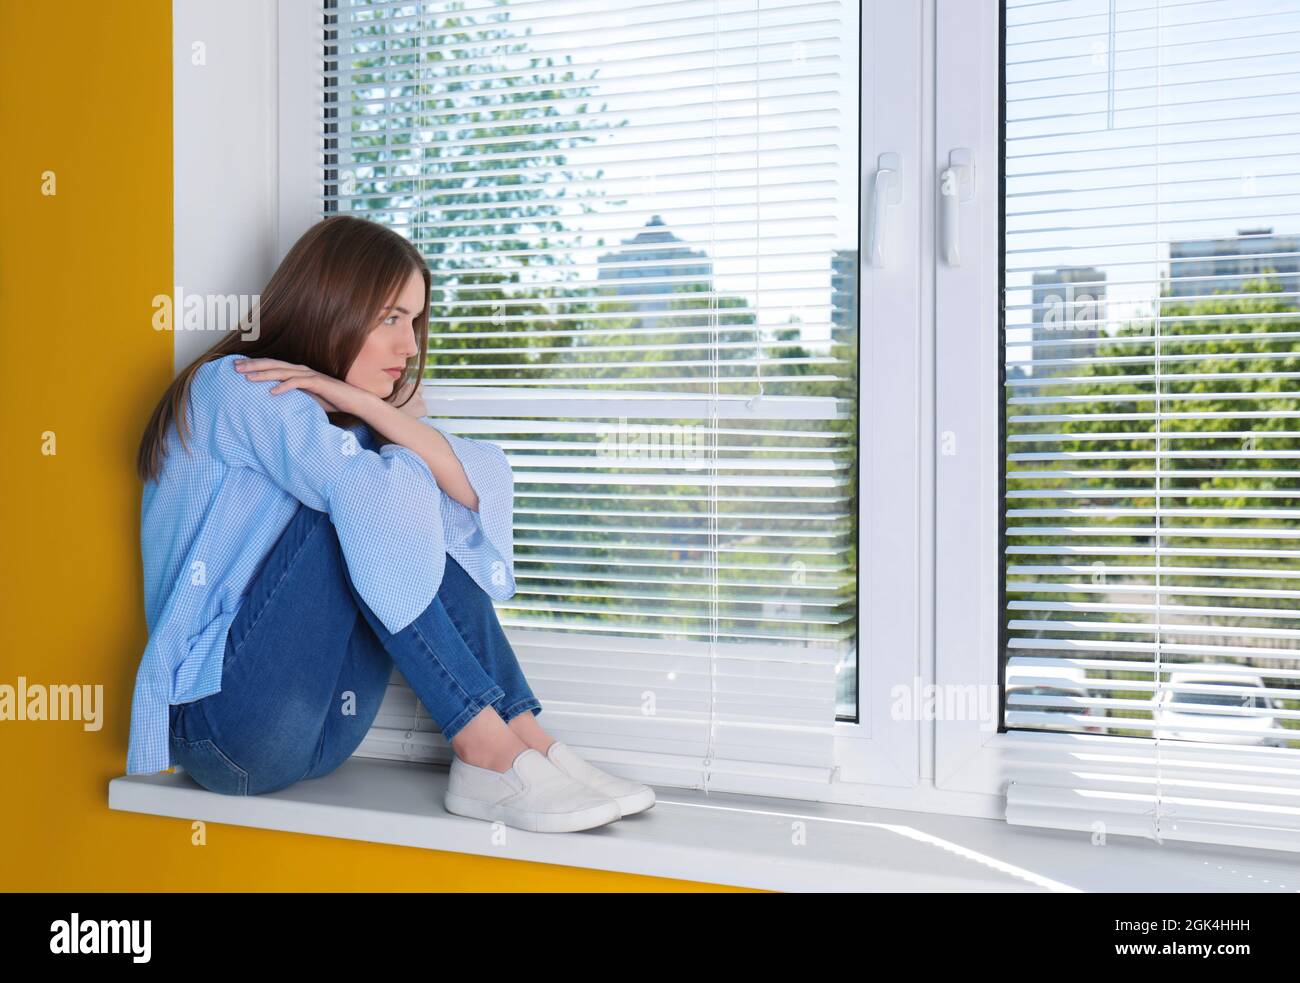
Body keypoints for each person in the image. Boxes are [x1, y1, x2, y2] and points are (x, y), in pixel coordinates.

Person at [128, 215, 654, 833]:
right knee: (365, 503)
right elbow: (370, 497)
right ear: (330, 307)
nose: (408, 348)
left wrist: (365, 407)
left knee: (405, 498)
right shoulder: (237, 385)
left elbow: (478, 484)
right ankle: (486, 748)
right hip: (225, 728)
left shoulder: (340, 417)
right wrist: (384, 420)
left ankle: (526, 737)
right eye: (390, 319)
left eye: (414, 321)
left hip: (326, 727)